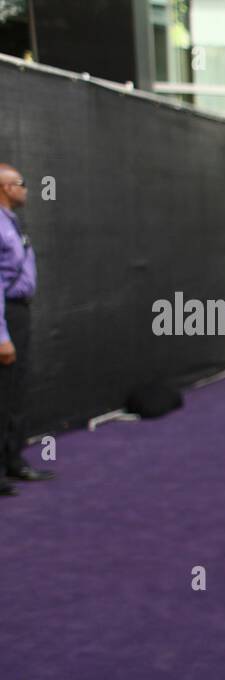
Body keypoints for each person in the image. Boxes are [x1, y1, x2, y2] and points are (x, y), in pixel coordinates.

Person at [0, 163, 54, 496]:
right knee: (2, 395)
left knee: (16, 392)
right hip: (5, 316)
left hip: (18, 313)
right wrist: (1, 336)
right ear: (5, 188)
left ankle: (12, 460)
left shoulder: (12, 223)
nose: (27, 189)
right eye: (21, 183)